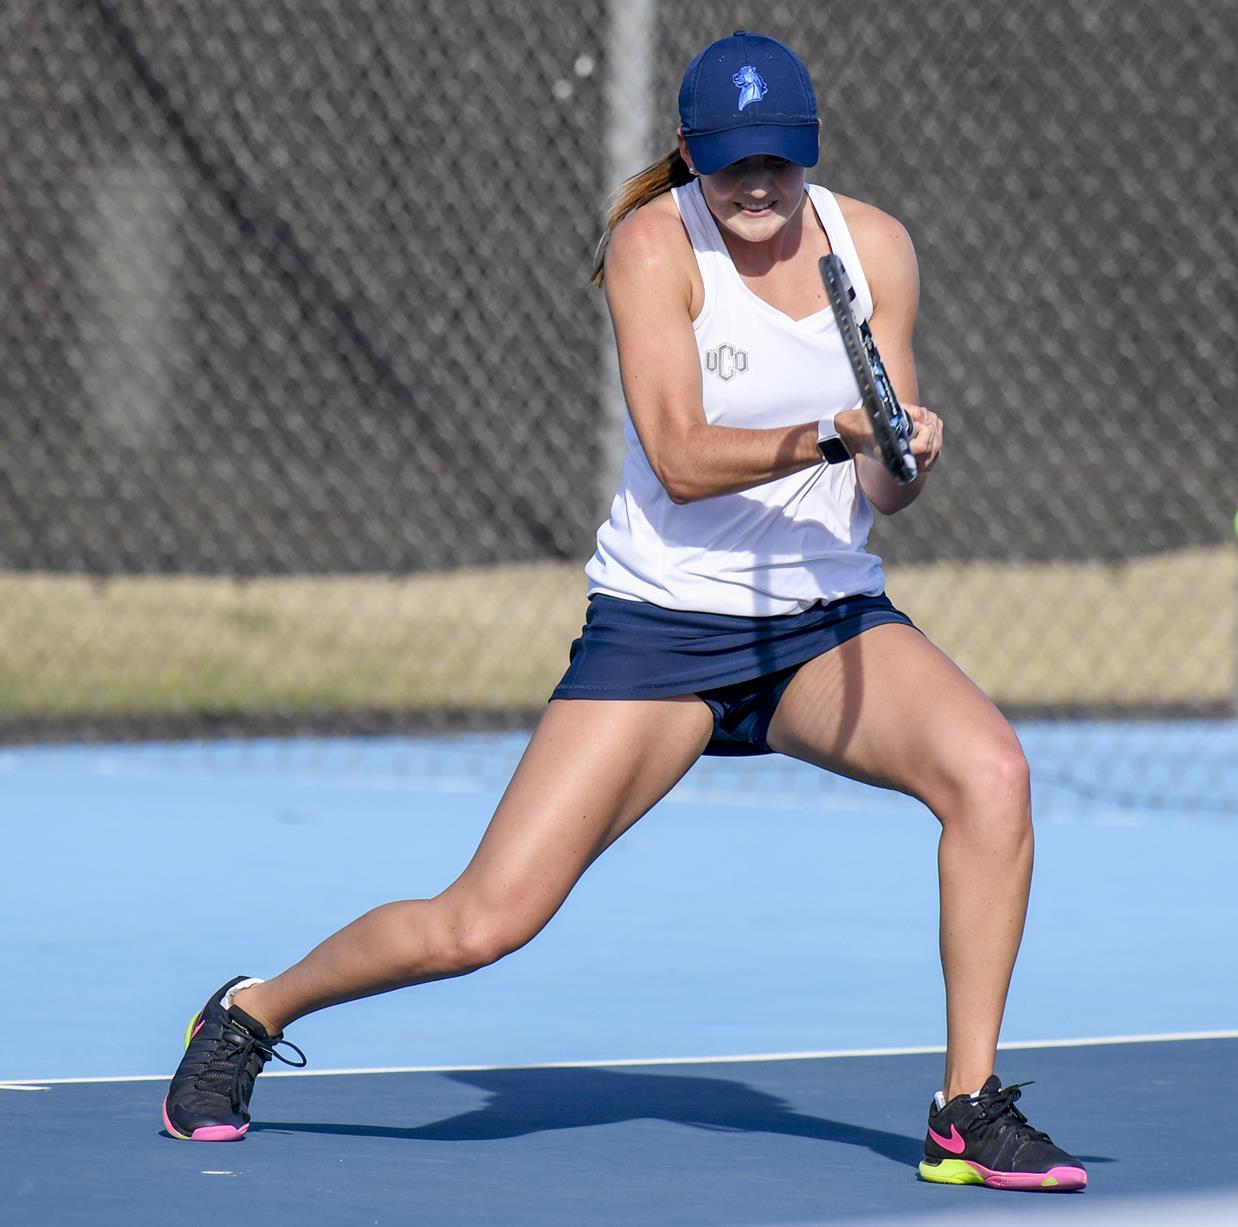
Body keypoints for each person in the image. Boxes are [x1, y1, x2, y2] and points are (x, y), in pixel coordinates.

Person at [160, 30, 1087, 1194]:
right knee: (482, 923)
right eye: (732, 164)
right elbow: (682, 457)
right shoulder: (654, 246)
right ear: (690, 156)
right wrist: (827, 433)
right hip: (663, 629)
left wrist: (902, 452)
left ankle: (964, 1111)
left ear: (810, 156)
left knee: (991, 775)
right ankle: (247, 1014)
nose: (757, 188)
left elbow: (883, 490)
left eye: (780, 164)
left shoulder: (877, 246)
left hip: (823, 617)